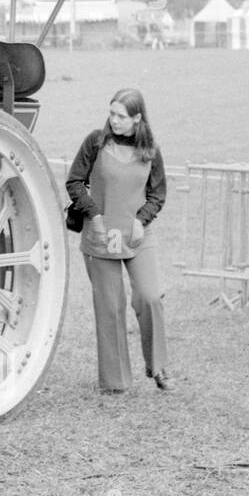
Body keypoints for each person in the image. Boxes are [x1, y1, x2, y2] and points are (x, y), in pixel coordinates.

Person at [66, 88, 173, 394]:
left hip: (138, 235)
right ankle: (116, 383)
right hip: (101, 235)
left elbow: (158, 194)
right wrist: (94, 215)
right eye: (111, 113)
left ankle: (158, 367)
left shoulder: (151, 150)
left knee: (150, 296)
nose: (113, 120)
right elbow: (74, 181)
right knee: (110, 307)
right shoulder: (95, 142)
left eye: (121, 116)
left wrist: (142, 220)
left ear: (137, 118)